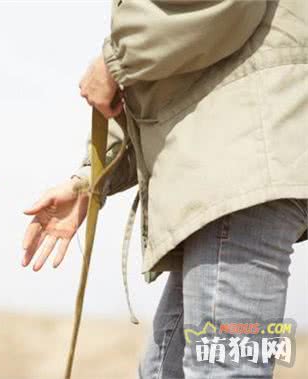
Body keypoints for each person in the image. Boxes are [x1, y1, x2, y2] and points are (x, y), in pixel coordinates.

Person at [21, 1, 308, 377]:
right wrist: (91, 179)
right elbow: (166, 81)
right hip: (231, 167)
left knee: (225, 368)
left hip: (240, 164)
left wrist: (116, 60)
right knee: (165, 370)